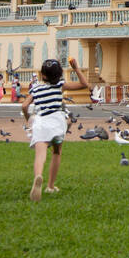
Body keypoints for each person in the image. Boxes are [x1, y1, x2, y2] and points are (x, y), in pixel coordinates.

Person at [22, 58, 89, 202]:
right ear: (58, 74)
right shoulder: (60, 85)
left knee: (40, 155)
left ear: (43, 75)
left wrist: (28, 120)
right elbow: (84, 85)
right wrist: (76, 68)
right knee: (57, 152)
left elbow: (24, 106)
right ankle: (50, 186)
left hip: (41, 125)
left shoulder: (35, 88)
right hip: (57, 124)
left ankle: (38, 177)